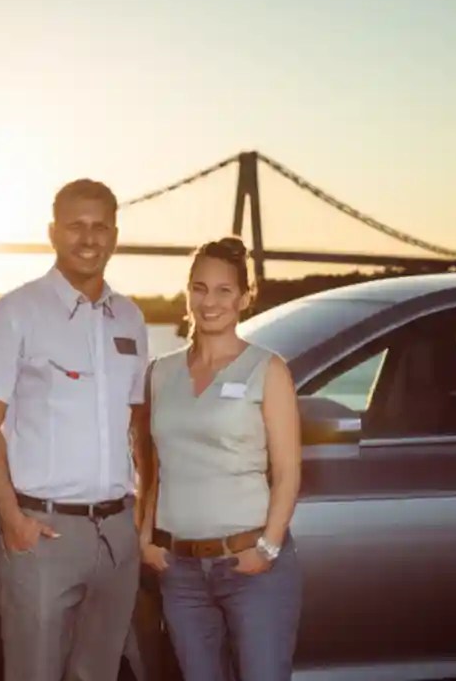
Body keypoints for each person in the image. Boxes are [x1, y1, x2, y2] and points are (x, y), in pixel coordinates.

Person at [0, 178, 150, 681]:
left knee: (99, 675)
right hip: (42, 532)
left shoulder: (131, 318)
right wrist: (12, 520)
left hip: (117, 534)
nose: (88, 239)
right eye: (75, 226)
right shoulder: (17, 312)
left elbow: (140, 427)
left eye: (99, 227)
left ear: (115, 234)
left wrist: (140, 519)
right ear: (52, 232)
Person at [136, 236, 303, 681]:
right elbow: (155, 465)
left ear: (245, 298)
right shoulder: (160, 373)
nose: (209, 302)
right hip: (180, 574)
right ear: (187, 293)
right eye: (199, 288)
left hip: (251, 568)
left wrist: (267, 547)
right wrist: (146, 537)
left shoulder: (268, 370)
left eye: (224, 290)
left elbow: (288, 472)